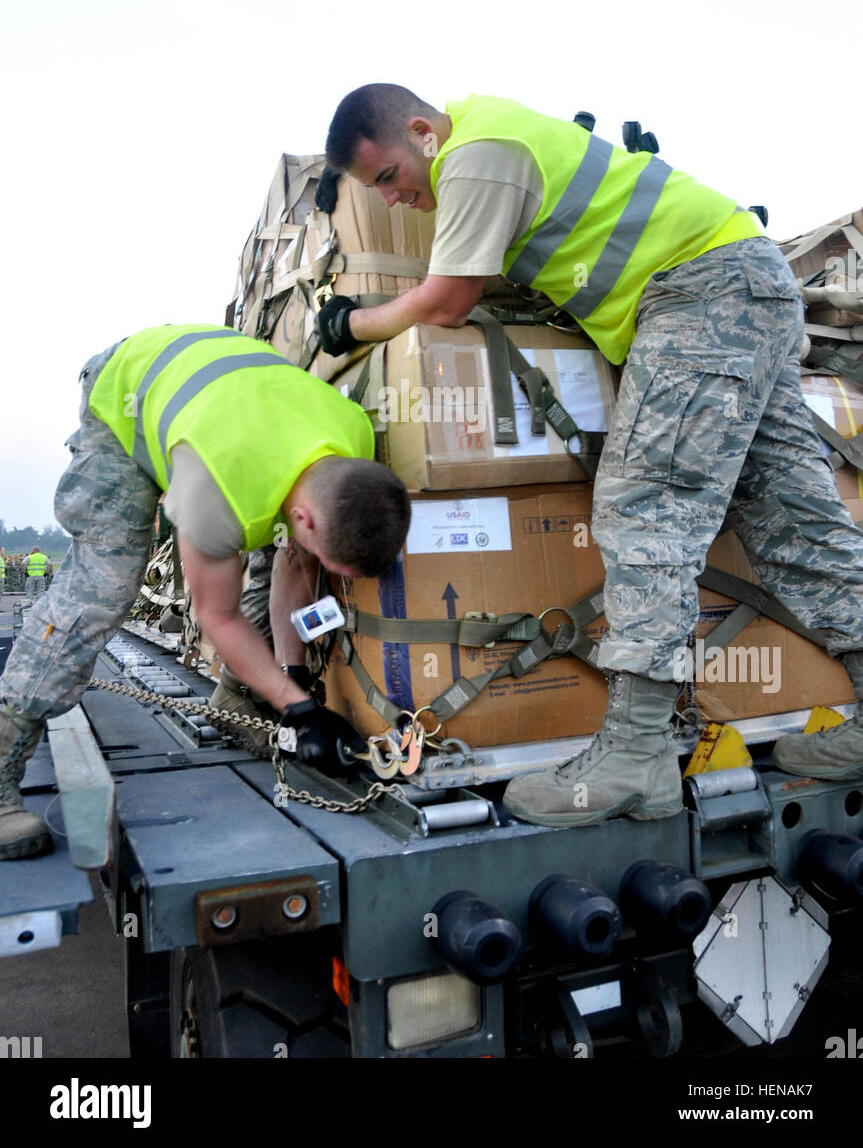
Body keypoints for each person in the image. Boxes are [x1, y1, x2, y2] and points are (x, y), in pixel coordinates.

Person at [318, 84, 863, 827]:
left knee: (644, 504)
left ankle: (636, 754)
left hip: (701, 291)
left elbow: (445, 301)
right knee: (795, 521)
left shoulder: (476, 155)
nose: (398, 199)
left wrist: (352, 323)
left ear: (421, 131)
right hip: (742, 285)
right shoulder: (491, 137)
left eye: (388, 178)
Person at [0, 322, 411, 860]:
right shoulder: (212, 486)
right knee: (103, 587)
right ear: (305, 517)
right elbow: (218, 618)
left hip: (224, 394)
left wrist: (293, 687)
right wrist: (303, 713)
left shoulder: (353, 436)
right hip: (126, 394)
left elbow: (296, 560)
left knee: (281, 559)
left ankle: (245, 693)